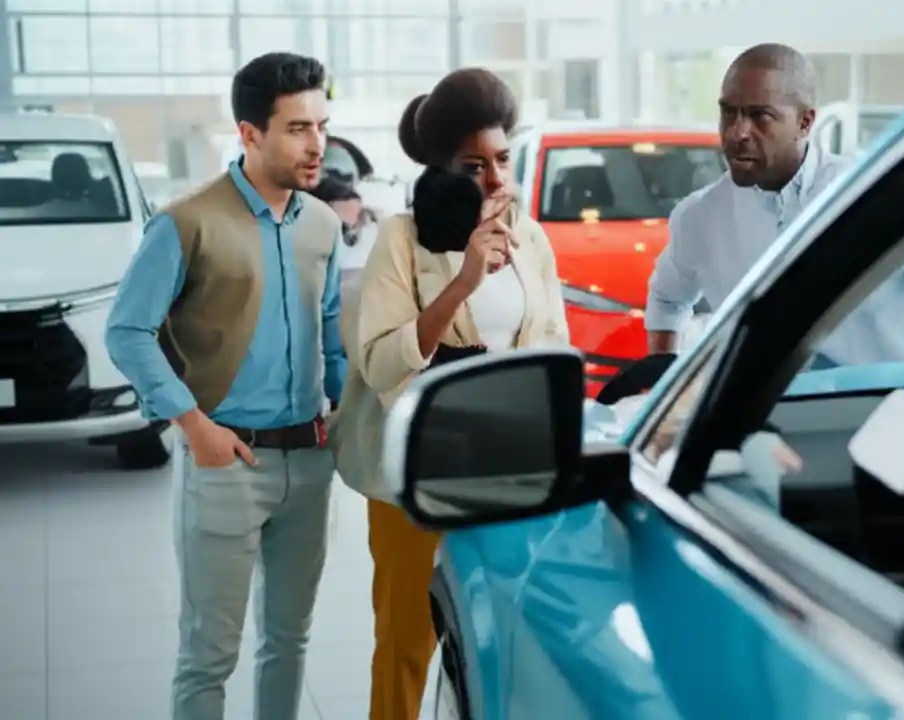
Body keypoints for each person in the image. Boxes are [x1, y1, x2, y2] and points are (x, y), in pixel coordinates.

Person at [104, 52, 345, 720]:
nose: (317, 142)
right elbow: (127, 331)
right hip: (226, 463)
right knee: (209, 654)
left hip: (310, 460)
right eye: (298, 127)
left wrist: (348, 408)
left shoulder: (323, 225)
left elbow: (332, 336)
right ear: (249, 134)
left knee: (289, 641)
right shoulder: (187, 222)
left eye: (322, 124)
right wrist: (193, 424)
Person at [343, 71, 570, 720]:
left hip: (509, 469)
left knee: (503, 637)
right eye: (475, 166)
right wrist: (464, 280)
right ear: (442, 172)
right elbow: (382, 362)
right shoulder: (402, 239)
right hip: (419, 472)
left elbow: (552, 342)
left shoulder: (531, 237)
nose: (497, 179)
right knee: (408, 641)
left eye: (503, 159)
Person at [646, 43, 904, 378]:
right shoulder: (700, 217)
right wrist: (662, 374)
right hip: (757, 433)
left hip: (871, 421)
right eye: (728, 113)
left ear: (805, 122)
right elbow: (667, 299)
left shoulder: (876, 199)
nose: (736, 133)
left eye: (760, 116)